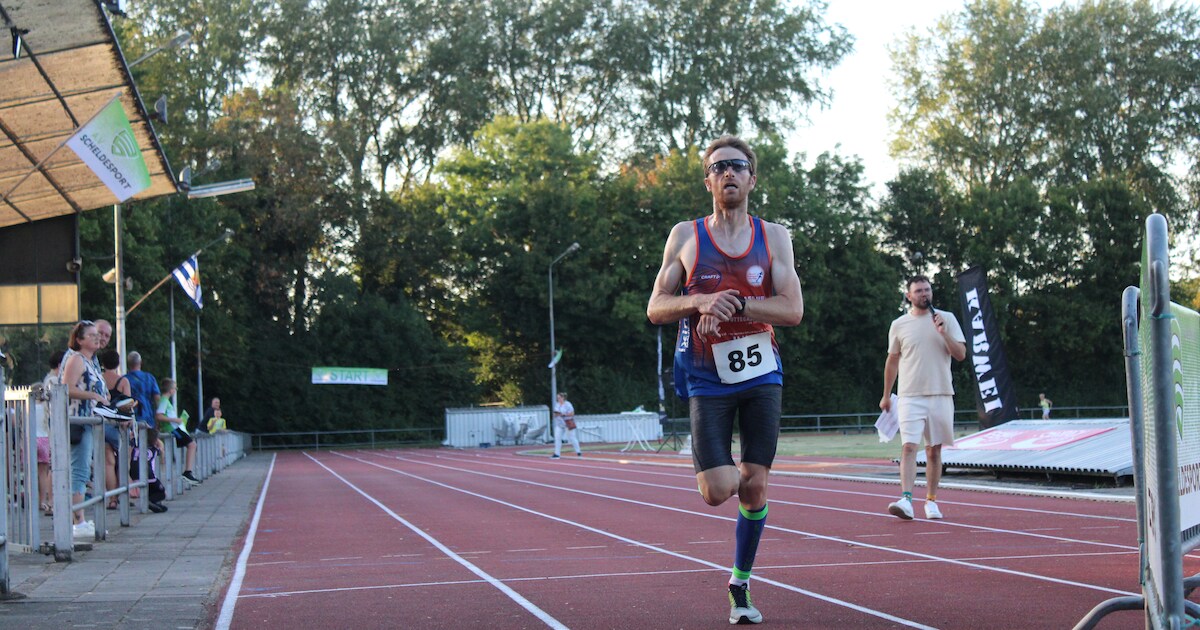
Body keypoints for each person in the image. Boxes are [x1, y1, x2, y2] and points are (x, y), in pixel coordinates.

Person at [646, 135, 804, 625]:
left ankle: (740, 582)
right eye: (720, 168)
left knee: (755, 485)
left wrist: (732, 303)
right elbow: (656, 307)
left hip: (761, 372)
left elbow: (792, 309)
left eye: (738, 166)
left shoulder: (774, 236)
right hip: (706, 376)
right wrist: (698, 301)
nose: (729, 173)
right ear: (709, 180)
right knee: (716, 490)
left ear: (752, 178)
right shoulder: (686, 236)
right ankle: (740, 481)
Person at [880, 275, 966, 521]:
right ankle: (906, 499)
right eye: (918, 291)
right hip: (910, 395)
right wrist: (886, 395)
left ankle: (931, 500)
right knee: (909, 446)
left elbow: (960, 354)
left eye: (926, 290)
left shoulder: (946, 318)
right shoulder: (899, 324)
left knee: (933, 451)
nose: (923, 294)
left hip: (940, 393)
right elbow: (892, 361)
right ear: (909, 295)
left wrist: (944, 332)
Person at [62, 320, 109, 538]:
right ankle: (77, 521)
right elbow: (66, 388)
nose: (97, 338)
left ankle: (78, 519)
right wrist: (93, 395)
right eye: (92, 335)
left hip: (88, 422)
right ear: (79, 340)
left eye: (97, 335)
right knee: (78, 471)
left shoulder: (93, 362)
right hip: (77, 423)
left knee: (83, 470)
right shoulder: (76, 360)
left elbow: (99, 390)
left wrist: (105, 398)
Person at [156, 378, 200, 485]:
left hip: (174, 428)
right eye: (175, 388)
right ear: (171, 389)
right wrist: (175, 420)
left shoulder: (165, 401)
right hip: (173, 429)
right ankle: (187, 472)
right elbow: (159, 416)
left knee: (192, 445)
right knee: (192, 445)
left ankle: (188, 472)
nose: (175, 390)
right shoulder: (164, 401)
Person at [36, 351, 64, 516]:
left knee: (47, 469)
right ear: (60, 365)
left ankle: (47, 500)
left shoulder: (48, 379)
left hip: (48, 429)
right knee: (53, 468)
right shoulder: (54, 381)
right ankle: (52, 500)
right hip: (52, 430)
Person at [551, 392, 581, 458]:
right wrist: (556, 414)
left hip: (568, 423)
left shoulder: (568, 404)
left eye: (559, 398)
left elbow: (572, 413)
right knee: (557, 438)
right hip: (559, 424)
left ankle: (578, 452)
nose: (558, 399)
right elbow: (555, 414)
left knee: (572, 438)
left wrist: (564, 414)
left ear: (563, 398)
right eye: (557, 398)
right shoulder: (557, 405)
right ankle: (557, 454)